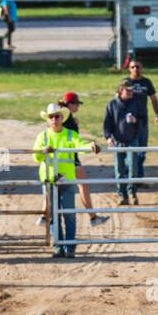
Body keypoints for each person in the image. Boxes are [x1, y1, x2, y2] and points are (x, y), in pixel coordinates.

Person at [33, 102, 99, 258]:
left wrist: (90, 145)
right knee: (54, 215)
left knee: (69, 214)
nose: (54, 119)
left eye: (57, 116)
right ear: (47, 120)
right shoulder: (42, 136)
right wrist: (43, 151)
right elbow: (35, 156)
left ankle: (69, 247)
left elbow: (80, 146)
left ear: (62, 118)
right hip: (49, 180)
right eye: (51, 117)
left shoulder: (70, 134)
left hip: (67, 179)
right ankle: (58, 246)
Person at [58, 92, 109, 227]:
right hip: (70, 157)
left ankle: (44, 217)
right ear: (70, 104)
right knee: (82, 185)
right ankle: (93, 217)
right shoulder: (66, 117)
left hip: (64, 156)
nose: (78, 107)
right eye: (76, 104)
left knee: (56, 188)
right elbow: (72, 137)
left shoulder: (62, 116)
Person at [119, 59, 158, 196]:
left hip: (142, 122)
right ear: (129, 69)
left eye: (138, 66)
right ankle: (127, 179)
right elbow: (118, 100)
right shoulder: (126, 82)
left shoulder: (146, 82)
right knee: (129, 151)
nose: (135, 69)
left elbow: (153, 99)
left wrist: (157, 115)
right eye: (132, 67)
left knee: (141, 151)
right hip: (128, 124)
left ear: (142, 68)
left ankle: (138, 178)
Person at [103, 82, 144, 206]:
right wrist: (108, 138)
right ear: (121, 90)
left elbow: (144, 119)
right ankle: (122, 195)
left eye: (132, 90)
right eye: (128, 90)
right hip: (117, 141)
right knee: (119, 170)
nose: (131, 93)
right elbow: (106, 124)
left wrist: (136, 120)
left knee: (133, 167)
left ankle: (132, 193)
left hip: (132, 140)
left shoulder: (136, 103)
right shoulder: (112, 104)